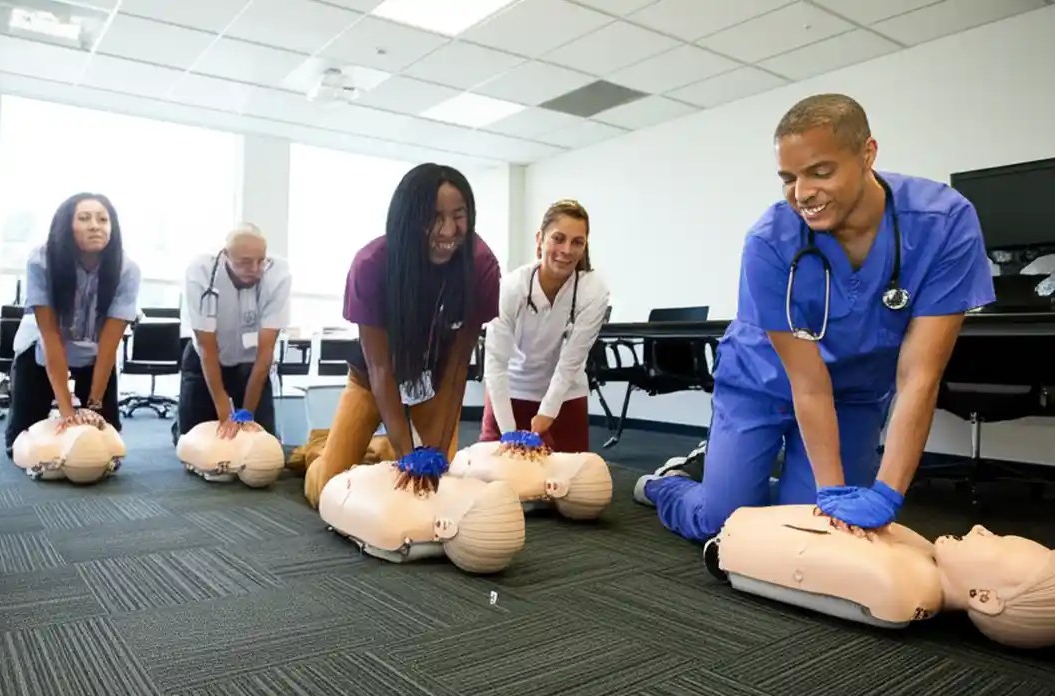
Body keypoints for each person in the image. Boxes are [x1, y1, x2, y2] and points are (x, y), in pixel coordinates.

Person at [634, 93, 995, 543]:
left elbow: (920, 377)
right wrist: (831, 492)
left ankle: (766, 490)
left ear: (868, 154)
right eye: (788, 177)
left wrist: (888, 493)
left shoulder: (944, 223)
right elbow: (808, 383)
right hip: (761, 379)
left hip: (855, 393)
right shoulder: (769, 241)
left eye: (821, 171)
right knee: (720, 521)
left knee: (812, 531)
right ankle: (668, 484)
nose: (802, 193)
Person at [303, 163, 502, 508]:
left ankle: (379, 447)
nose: (448, 230)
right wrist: (407, 454)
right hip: (372, 380)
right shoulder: (371, 264)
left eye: (459, 215)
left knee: (437, 482)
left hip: (435, 382)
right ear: (408, 217)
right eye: (433, 217)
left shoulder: (480, 265)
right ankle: (320, 451)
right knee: (327, 491)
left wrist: (434, 456)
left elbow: (458, 366)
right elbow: (381, 369)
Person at [3, 192, 141, 451]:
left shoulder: (126, 269)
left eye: (103, 219)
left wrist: (94, 406)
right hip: (41, 348)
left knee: (106, 440)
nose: (95, 226)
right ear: (67, 225)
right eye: (84, 218)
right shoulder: (42, 260)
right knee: (20, 443)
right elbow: (50, 338)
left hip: (95, 350)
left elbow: (110, 345)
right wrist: (68, 411)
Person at [481, 199, 609, 452]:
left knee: (572, 484)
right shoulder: (511, 286)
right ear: (540, 239)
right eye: (558, 238)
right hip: (510, 393)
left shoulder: (593, 291)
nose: (567, 249)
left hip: (565, 397)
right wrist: (508, 432)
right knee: (494, 477)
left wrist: (547, 413)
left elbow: (572, 361)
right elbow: (495, 362)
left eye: (577, 242)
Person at [173, 222, 291, 444]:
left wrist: (246, 413)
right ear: (226, 255)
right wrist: (223, 407)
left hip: (252, 364)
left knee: (260, 441)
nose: (255, 269)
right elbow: (207, 347)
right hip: (206, 360)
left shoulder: (278, 275)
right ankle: (180, 424)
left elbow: (266, 353)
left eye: (260, 261)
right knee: (196, 440)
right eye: (245, 262)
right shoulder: (201, 272)